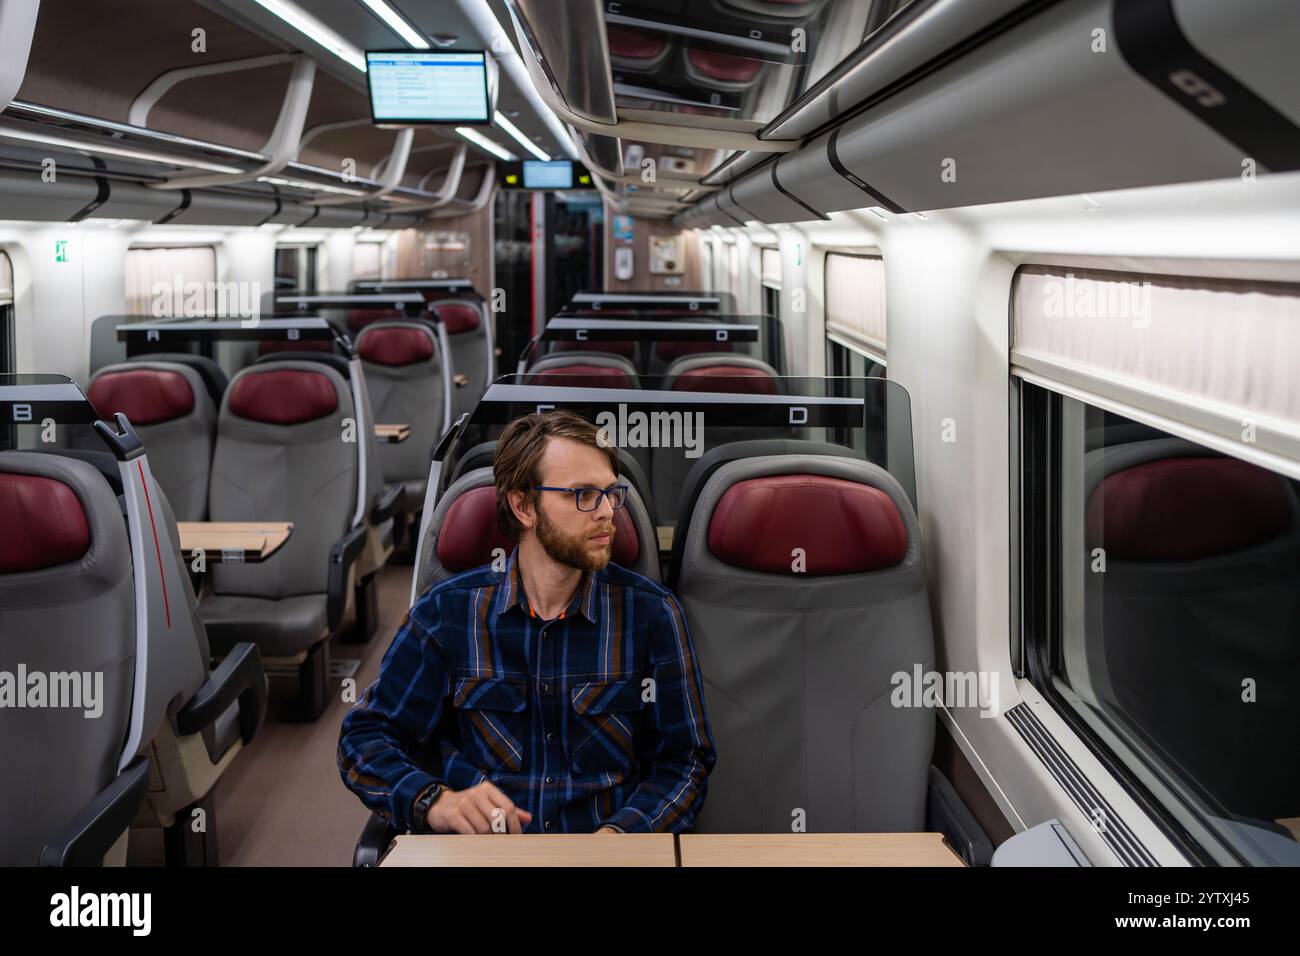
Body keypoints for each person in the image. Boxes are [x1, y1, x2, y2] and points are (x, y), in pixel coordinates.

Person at [338, 410, 715, 835]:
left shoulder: (652, 615)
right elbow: (364, 738)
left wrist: (623, 835)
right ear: (523, 506)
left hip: (603, 855)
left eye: (611, 493)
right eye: (583, 495)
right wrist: (434, 802)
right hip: (483, 855)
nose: (608, 511)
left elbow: (684, 762)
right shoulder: (446, 614)